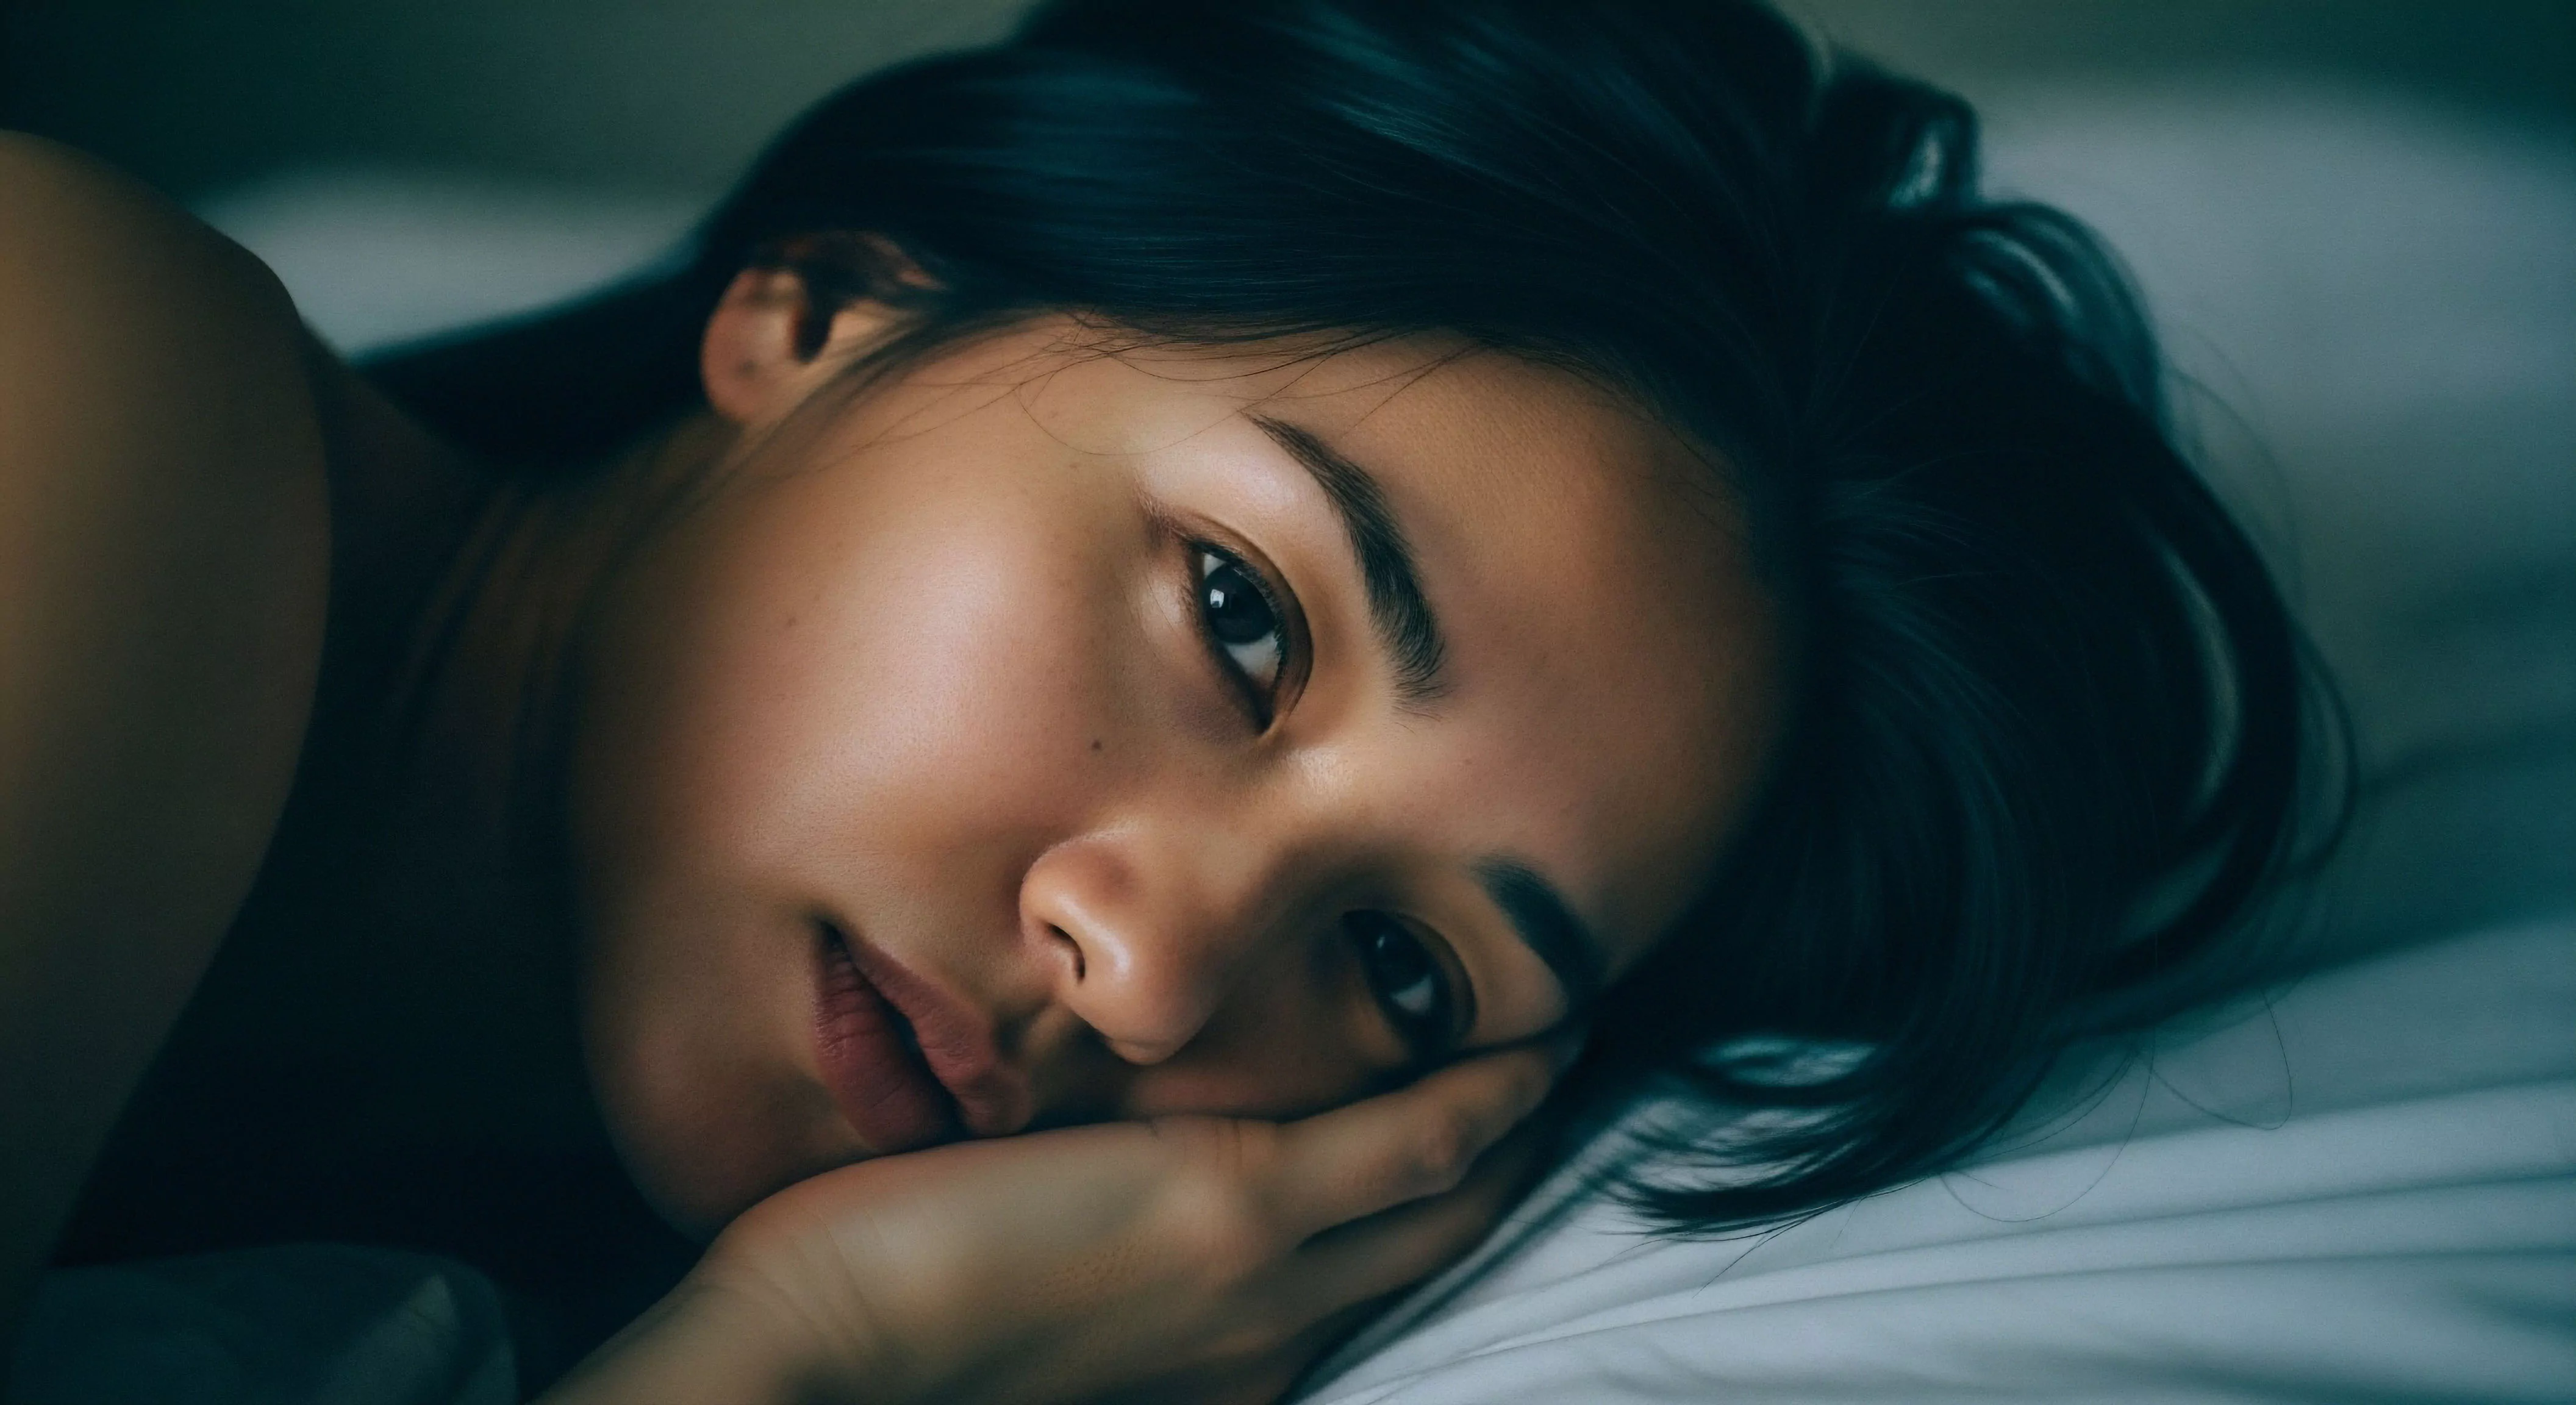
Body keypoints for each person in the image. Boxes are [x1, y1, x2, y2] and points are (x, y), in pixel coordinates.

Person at [0, 0, 2336, 1399]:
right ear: (828, 308)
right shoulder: (92, 401)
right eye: (1243, 613)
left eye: (1406, 967)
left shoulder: (494, 1254)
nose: (1153, 965)